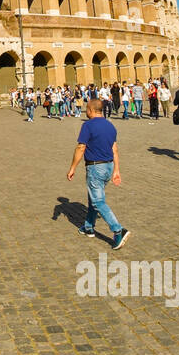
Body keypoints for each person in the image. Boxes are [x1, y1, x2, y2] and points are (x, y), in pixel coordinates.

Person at [66, 98, 128, 249]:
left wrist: (73, 167)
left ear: (92, 110)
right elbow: (115, 149)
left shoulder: (88, 125)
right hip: (108, 166)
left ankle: (118, 230)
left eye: (86, 109)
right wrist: (116, 170)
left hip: (95, 167)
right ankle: (88, 227)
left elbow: (81, 147)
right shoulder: (110, 126)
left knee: (98, 201)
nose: (86, 112)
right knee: (93, 197)